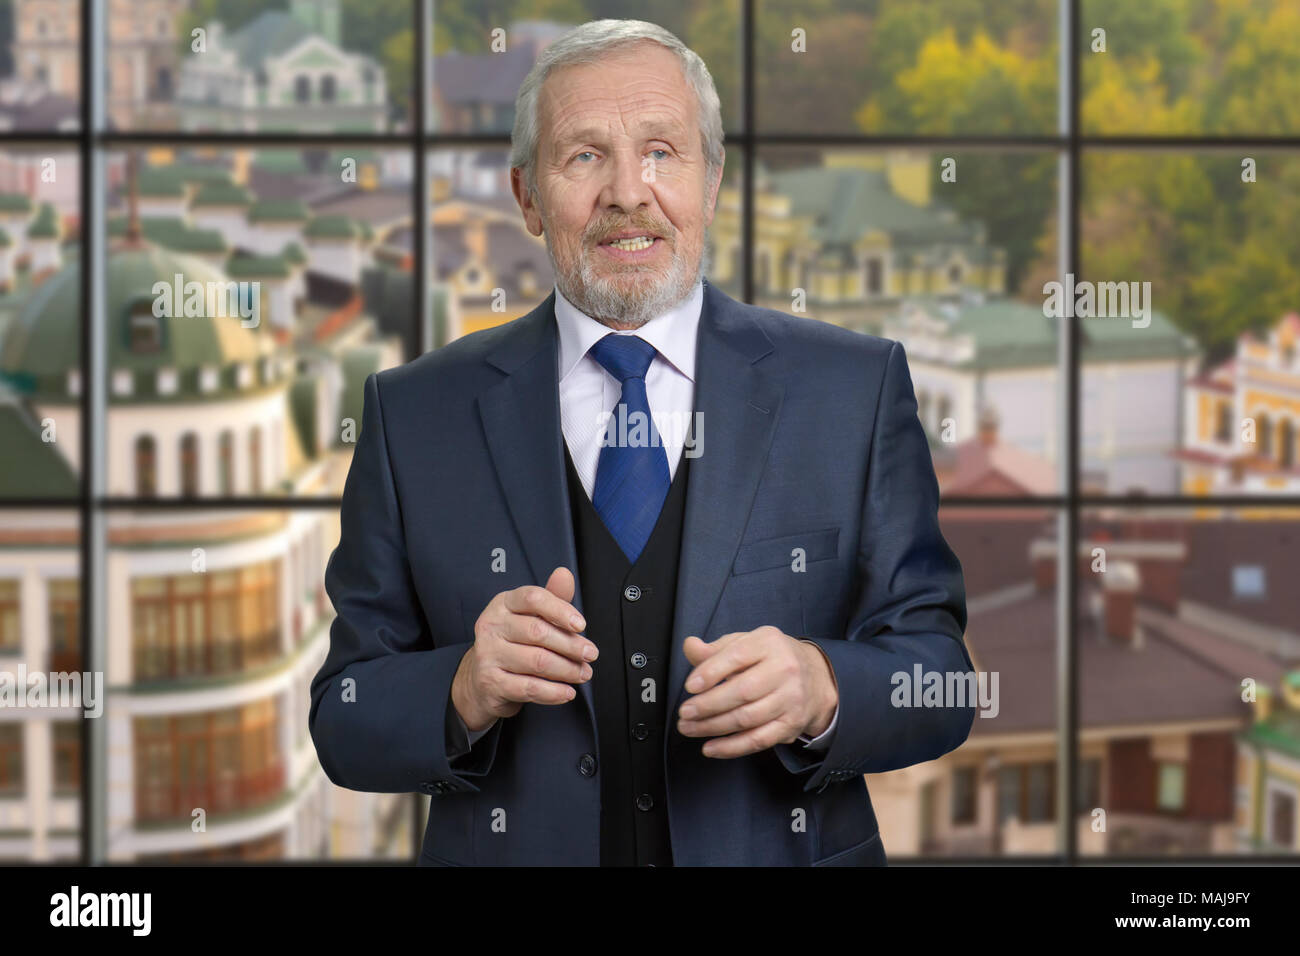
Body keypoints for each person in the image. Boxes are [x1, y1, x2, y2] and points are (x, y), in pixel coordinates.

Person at [309, 18, 975, 867]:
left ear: (714, 181)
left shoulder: (854, 389)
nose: (629, 191)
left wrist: (823, 686)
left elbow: (942, 681)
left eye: (661, 151)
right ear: (527, 198)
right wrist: (463, 688)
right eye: (584, 156)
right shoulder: (413, 416)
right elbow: (343, 717)